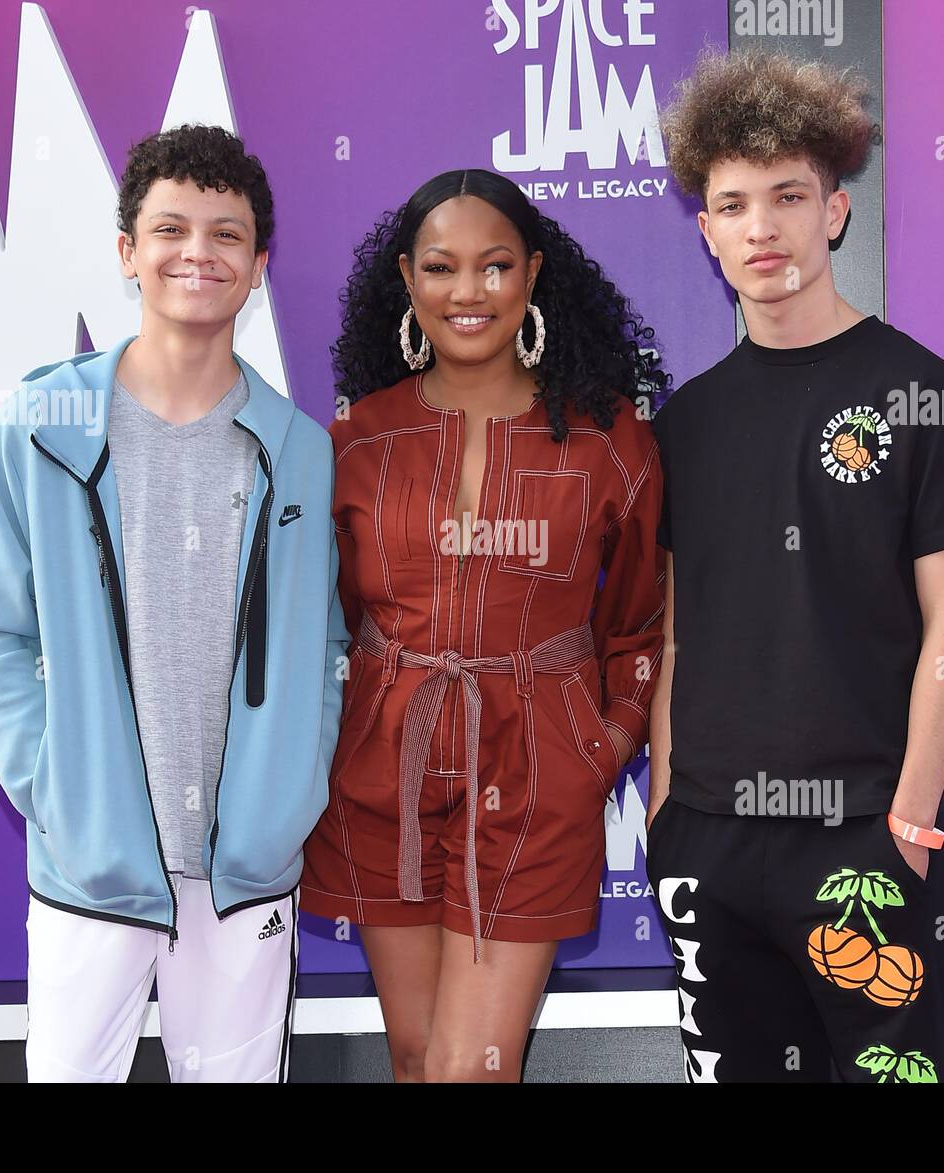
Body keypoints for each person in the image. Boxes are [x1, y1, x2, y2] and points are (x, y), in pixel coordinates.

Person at [646, 49, 944, 1084]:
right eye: (732, 203)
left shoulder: (919, 390)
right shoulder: (686, 423)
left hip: (862, 844)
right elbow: (680, 628)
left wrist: (906, 814)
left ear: (835, 213)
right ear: (708, 229)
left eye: (786, 196)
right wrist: (672, 811)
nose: (761, 227)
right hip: (708, 849)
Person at [0, 124, 348, 1082]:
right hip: (90, 868)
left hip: (244, 870)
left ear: (258, 265)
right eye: (171, 228)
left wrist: (289, 793)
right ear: (128, 250)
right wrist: (59, 797)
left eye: (227, 234)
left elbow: (326, 645)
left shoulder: (297, 446)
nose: (198, 253)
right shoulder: (39, 424)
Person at [299, 168, 669, 1082]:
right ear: (408, 280)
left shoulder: (607, 438)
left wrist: (603, 744)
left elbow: (643, 621)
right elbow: (328, 620)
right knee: (418, 1057)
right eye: (442, 268)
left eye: (495, 266)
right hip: (387, 769)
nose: (468, 292)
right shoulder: (352, 440)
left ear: (534, 274)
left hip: (541, 771)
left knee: (472, 1065)